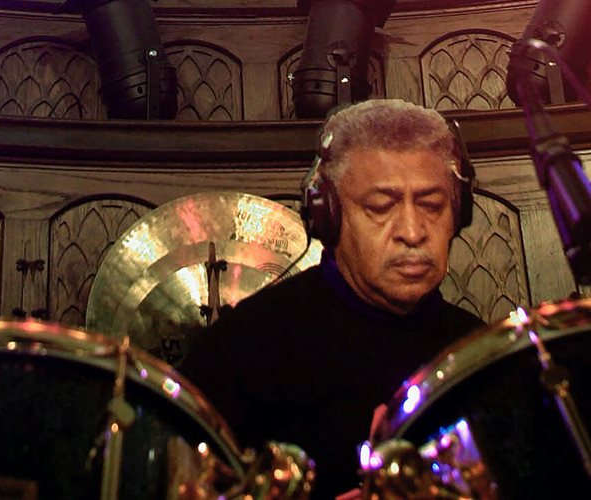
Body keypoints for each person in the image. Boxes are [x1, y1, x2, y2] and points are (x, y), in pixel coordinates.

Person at [180, 99, 486, 498]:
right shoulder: (240, 349)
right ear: (327, 216)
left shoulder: (482, 352)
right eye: (381, 207)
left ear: (459, 213)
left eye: (432, 205)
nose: (412, 232)